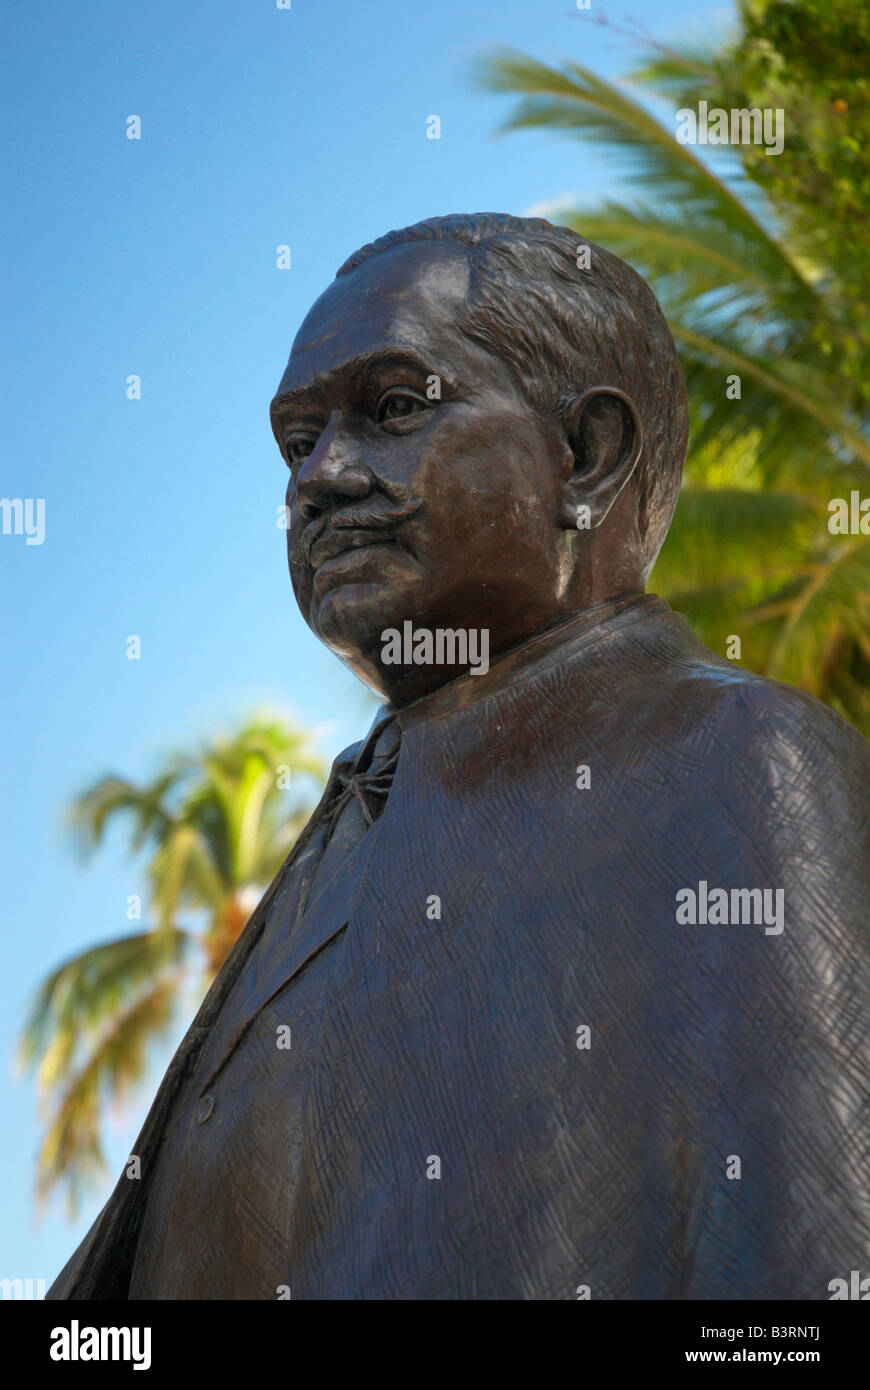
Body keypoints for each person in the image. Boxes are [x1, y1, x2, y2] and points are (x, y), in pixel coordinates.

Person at [48, 214, 870, 1300]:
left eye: (392, 408)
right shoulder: (340, 832)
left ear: (585, 456)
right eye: (298, 443)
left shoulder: (735, 763)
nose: (317, 479)